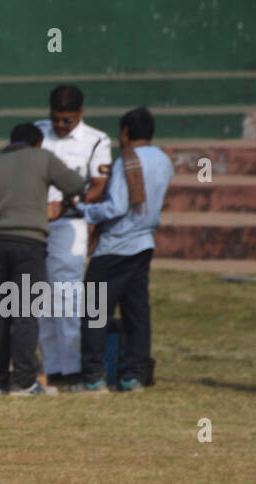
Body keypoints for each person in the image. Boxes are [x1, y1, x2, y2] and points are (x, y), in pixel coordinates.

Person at [0, 123, 87, 395]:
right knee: (24, 310)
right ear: (37, 143)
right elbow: (76, 183)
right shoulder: (43, 158)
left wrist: (3, 215)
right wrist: (65, 202)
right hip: (30, 244)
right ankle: (23, 380)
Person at [75, 107, 172, 393]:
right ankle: (134, 374)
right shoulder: (164, 160)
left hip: (115, 246)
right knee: (136, 312)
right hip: (143, 244)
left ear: (126, 132)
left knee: (95, 311)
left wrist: (84, 209)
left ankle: (93, 375)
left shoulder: (126, 162)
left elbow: (116, 207)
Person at [35, 85, 112, 387]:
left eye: (67, 120)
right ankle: (52, 368)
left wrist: (67, 204)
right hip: (37, 223)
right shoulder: (37, 133)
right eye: (56, 119)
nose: (60, 126)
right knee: (38, 296)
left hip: (69, 225)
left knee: (67, 296)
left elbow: (98, 186)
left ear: (80, 114)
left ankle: (73, 369)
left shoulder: (96, 140)